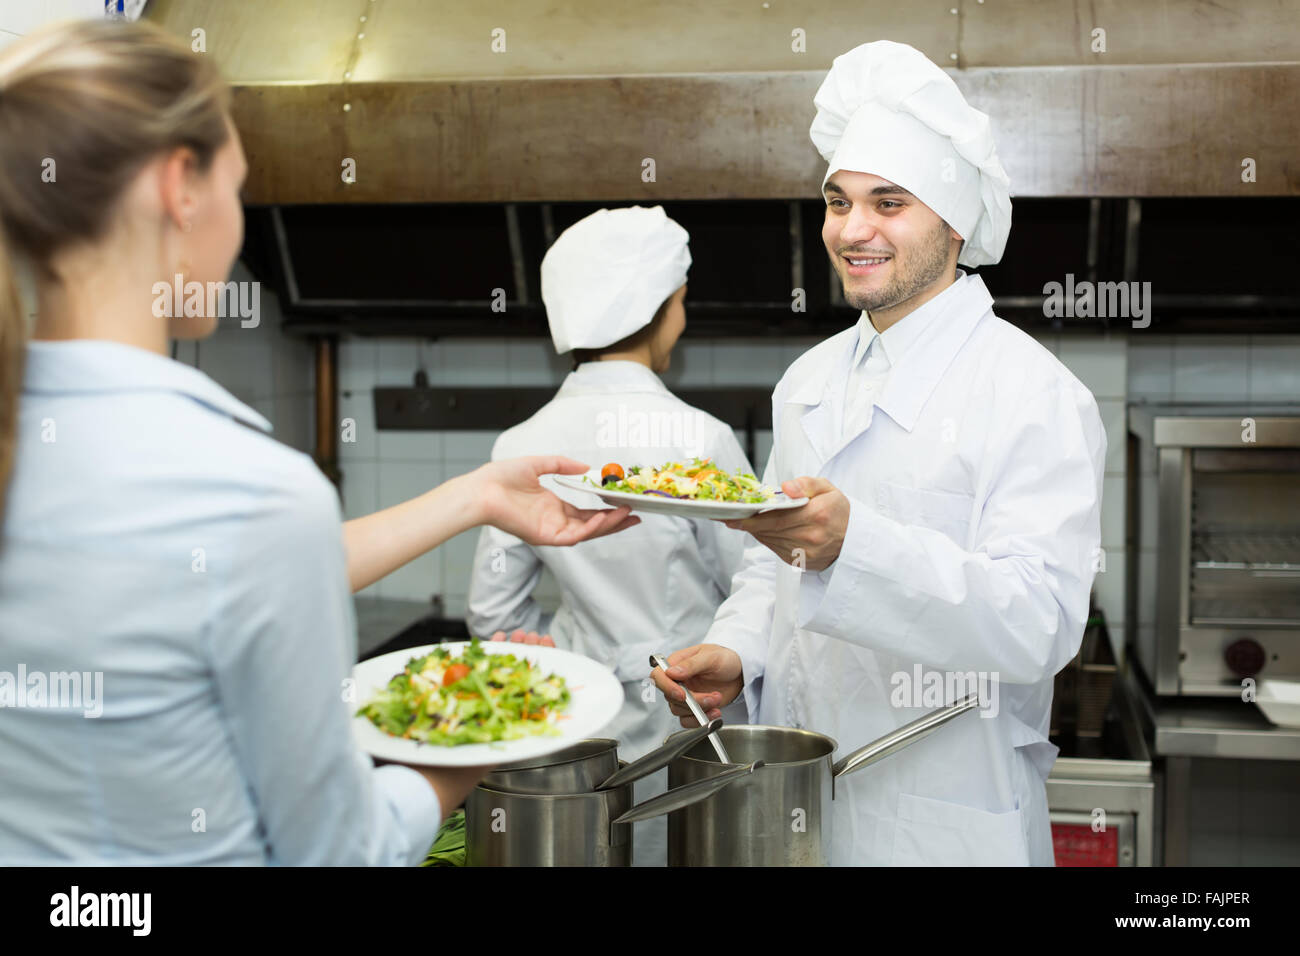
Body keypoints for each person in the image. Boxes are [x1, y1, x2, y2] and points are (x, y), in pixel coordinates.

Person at [0, 18, 634, 865]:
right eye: (238, 184)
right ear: (179, 187)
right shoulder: (246, 488)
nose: (238, 223)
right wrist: (478, 737)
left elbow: (199, 575)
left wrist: (476, 494)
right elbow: (341, 851)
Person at [652, 40, 1105, 866]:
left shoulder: (1033, 394)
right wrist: (737, 652)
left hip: (948, 819)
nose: (852, 230)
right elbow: (772, 563)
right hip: (799, 806)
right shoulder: (808, 380)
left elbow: (1040, 623)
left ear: (954, 220)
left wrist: (857, 545)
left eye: (889, 202)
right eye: (837, 201)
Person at [466, 206, 753, 866]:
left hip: (571, 732)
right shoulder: (700, 441)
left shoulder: (519, 444)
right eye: (681, 300)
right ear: (663, 307)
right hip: (690, 726)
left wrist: (573, 653)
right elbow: (755, 596)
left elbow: (493, 617)